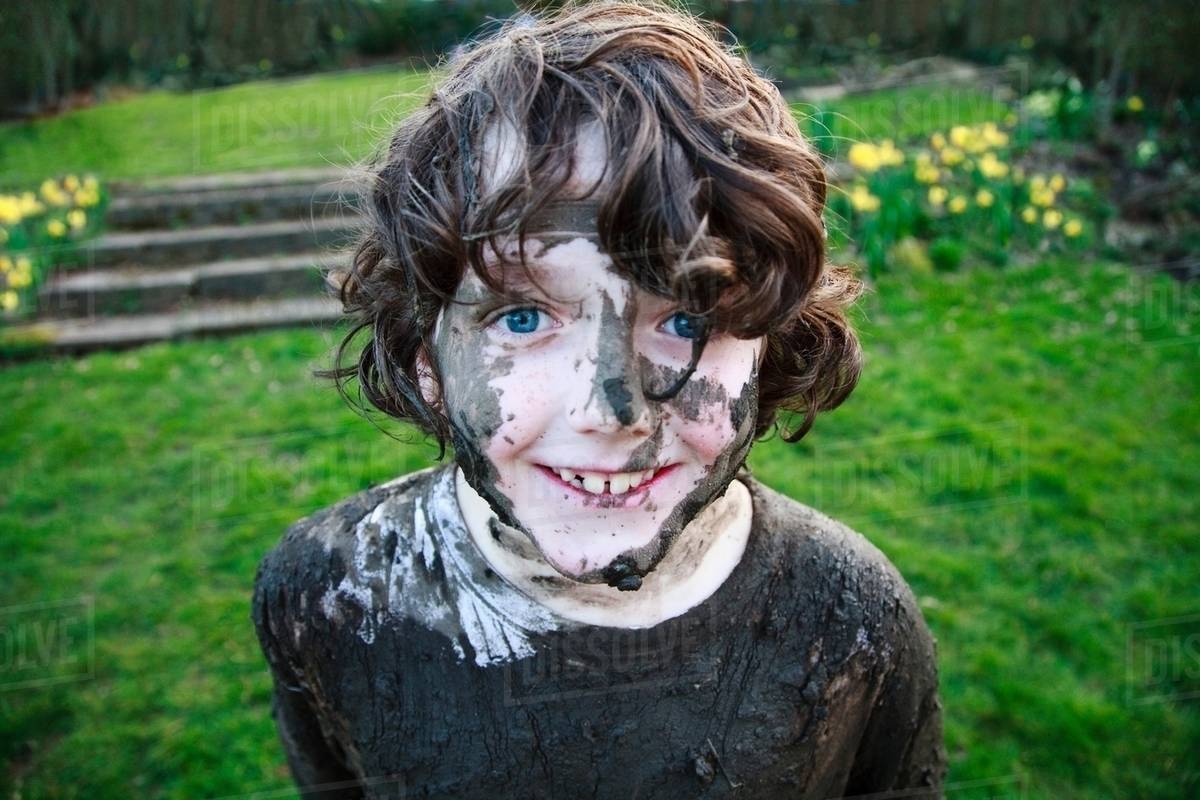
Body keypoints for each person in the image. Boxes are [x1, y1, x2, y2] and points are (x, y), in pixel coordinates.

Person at [251, 2, 947, 797]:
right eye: (522, 316)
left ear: (771, 347)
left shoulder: (850, 620)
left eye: (688, 317)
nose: (610, 413)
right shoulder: (329, 601)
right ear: (426, 358)